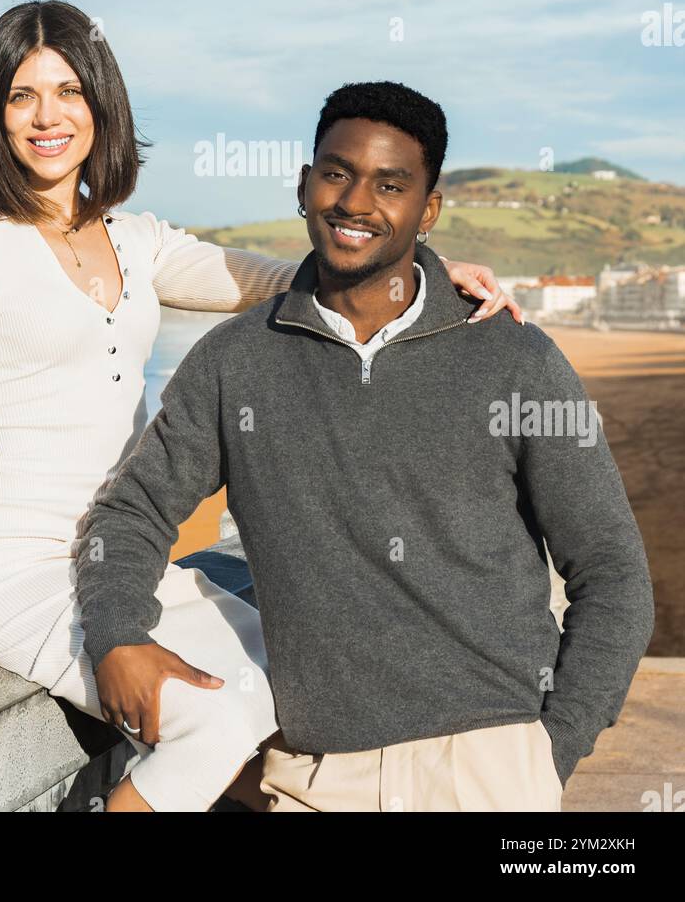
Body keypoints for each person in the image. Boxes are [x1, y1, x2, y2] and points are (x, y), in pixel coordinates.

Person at [0, 4, 518, 814]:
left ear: (101, 104)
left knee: (315, 673)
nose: (48, 115)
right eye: (22, 95)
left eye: (68, 91)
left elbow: (282, 280)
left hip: (126, 561)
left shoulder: (137, 240)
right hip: (14, 569)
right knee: (216, 714)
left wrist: (427, 270)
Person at [75, 80, 655, 813]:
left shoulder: (514, 359)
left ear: (428, 208)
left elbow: (612, 574)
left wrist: (551, 748)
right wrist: (116, 636)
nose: (355, 202)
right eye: (337, 173)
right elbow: (133, 512)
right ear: (304, 184)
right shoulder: (234, 363)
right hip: (318, 776)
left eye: (391, 184)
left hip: (489, 767)